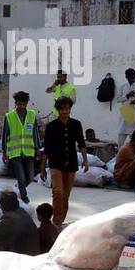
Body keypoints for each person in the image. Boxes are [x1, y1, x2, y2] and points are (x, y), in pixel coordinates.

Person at [41, 95, 89, 226]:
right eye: (62, 109)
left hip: (71, 163)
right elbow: (47, 147)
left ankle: (60, 220)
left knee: (66, 195)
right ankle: (56, 222)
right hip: (55, 163)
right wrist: (42, 167)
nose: (65, 112)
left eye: (67, 109)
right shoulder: (51, 126)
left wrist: (85, 160)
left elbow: (81, 143)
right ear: (58, 110)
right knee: (58, 192)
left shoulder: (76, 124)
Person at [1, 91, 41, 203]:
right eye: (19, 104)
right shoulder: (9, 116)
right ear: (15, 103)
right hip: (15, 151)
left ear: (27, 103)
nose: (21, 107)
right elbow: (4, 135)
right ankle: (24, 198)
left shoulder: (32, 115)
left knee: (30, 176)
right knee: (21, 177)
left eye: (23, 104)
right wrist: (4, 152)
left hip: (29, 150)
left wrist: (37, 149)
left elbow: (35, 133)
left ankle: (17, 188)